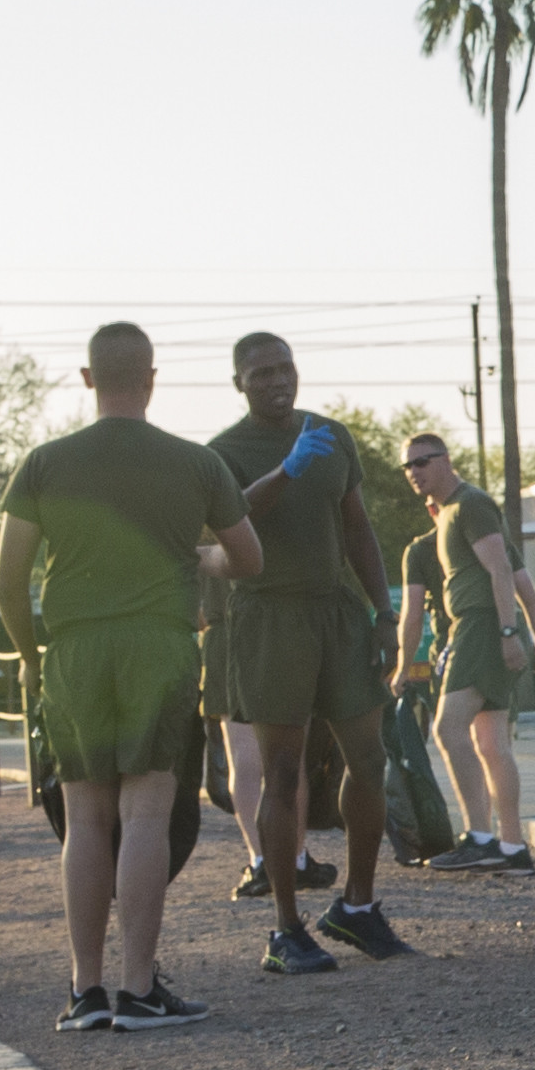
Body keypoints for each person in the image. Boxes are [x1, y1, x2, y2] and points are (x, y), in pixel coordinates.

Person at [0, 323, 260, 1032]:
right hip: (159, 646)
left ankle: (85, 991)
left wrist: (30, 654)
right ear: (151, 378)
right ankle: (139, 987)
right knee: (146, 813)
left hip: (75, 651)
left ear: (87, 379)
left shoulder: (44, 464)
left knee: (84, 817)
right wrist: (203, 560)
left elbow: (7, 582)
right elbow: (249, 559)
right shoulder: (195, 463)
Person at [208, 332, 408, 974]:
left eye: (284, 368)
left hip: (336, 611)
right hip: (269, 616)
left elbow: (357, 527)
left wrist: (383, 608)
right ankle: (286, 929)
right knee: (283, 771)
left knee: (370, 759)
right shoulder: (222, 453)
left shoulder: (332, 435)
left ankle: (357, 904)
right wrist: (286, 469)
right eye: (260, 373)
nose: (276, 380)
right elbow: (226, 521)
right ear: (239, 382)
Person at [396, 432, 535, 873]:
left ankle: (479, 837)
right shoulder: (447, 516)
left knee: (447, 730)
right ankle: (512, 848)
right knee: (491, 744)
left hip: (480, 626)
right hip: (478, 628)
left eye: (422, 462)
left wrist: (506, 632)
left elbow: (502, 571)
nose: (414, 472)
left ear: (446, 461)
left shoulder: (470, 504)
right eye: (407, 466)